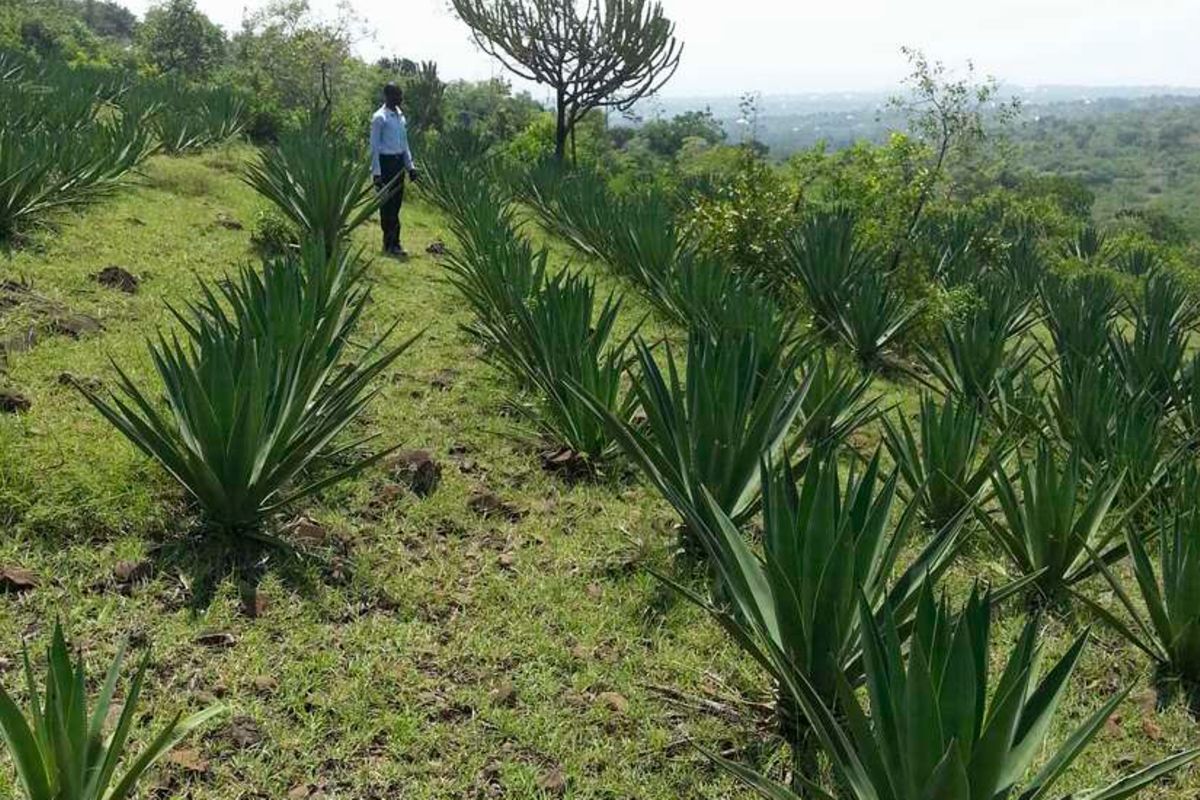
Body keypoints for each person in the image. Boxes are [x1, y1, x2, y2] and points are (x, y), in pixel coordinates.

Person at [370, 83, 419, 257]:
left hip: (398, 164)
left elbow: (404, 145)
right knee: (387, 205)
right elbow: (374, 148)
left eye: (400, 95)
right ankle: (389, 242)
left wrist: (410, 167)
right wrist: (376, 173)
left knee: (396, 204)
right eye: (397, 95)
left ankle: (395, 242)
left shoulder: (400, 118)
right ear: (387, 96)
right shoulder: (380, 118)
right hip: (385, 164)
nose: (400, 98)